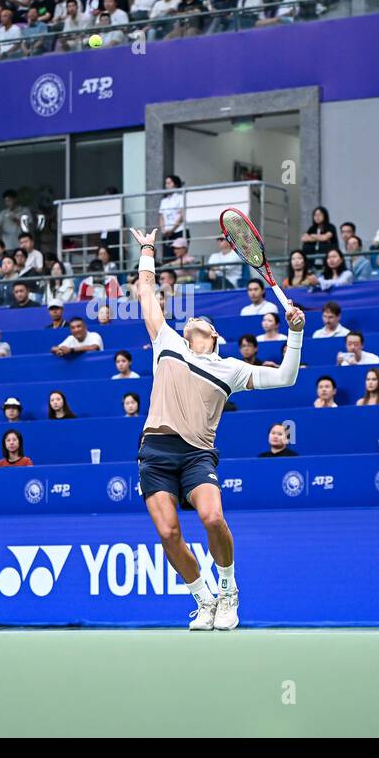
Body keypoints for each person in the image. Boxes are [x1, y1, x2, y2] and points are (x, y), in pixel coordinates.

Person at [128, 225, 305, 631]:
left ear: (214, 336)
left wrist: (295, 334)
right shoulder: (167, 343)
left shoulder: (231, 369)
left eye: (201, 324)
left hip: (196, 455)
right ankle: (203, 598)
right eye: (190, 321)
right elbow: (146, 296)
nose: (192, 322)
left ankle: (228, 589)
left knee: (211, 518)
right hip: (154, 452)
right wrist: (149, 252)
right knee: (169, 533)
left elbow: (285, 379)